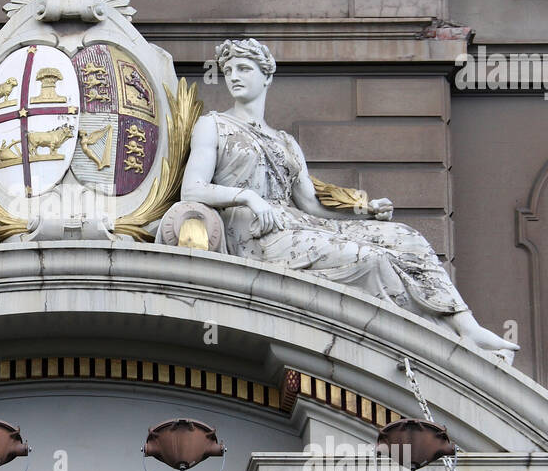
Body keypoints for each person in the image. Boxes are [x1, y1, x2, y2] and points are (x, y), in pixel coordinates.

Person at [180, 38, 517, 362]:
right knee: (372, 260)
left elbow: (310, 204)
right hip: (259, 237)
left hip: (298, 225)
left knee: (406, 238)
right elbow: (192, 189)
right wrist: (248, 197)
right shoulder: (213, 125)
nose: (234, 77)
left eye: (244, 68)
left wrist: (365, 211)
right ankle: (440, 341)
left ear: (267, 76)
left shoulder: (285, 141)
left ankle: (466, 328)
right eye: (229, 71)